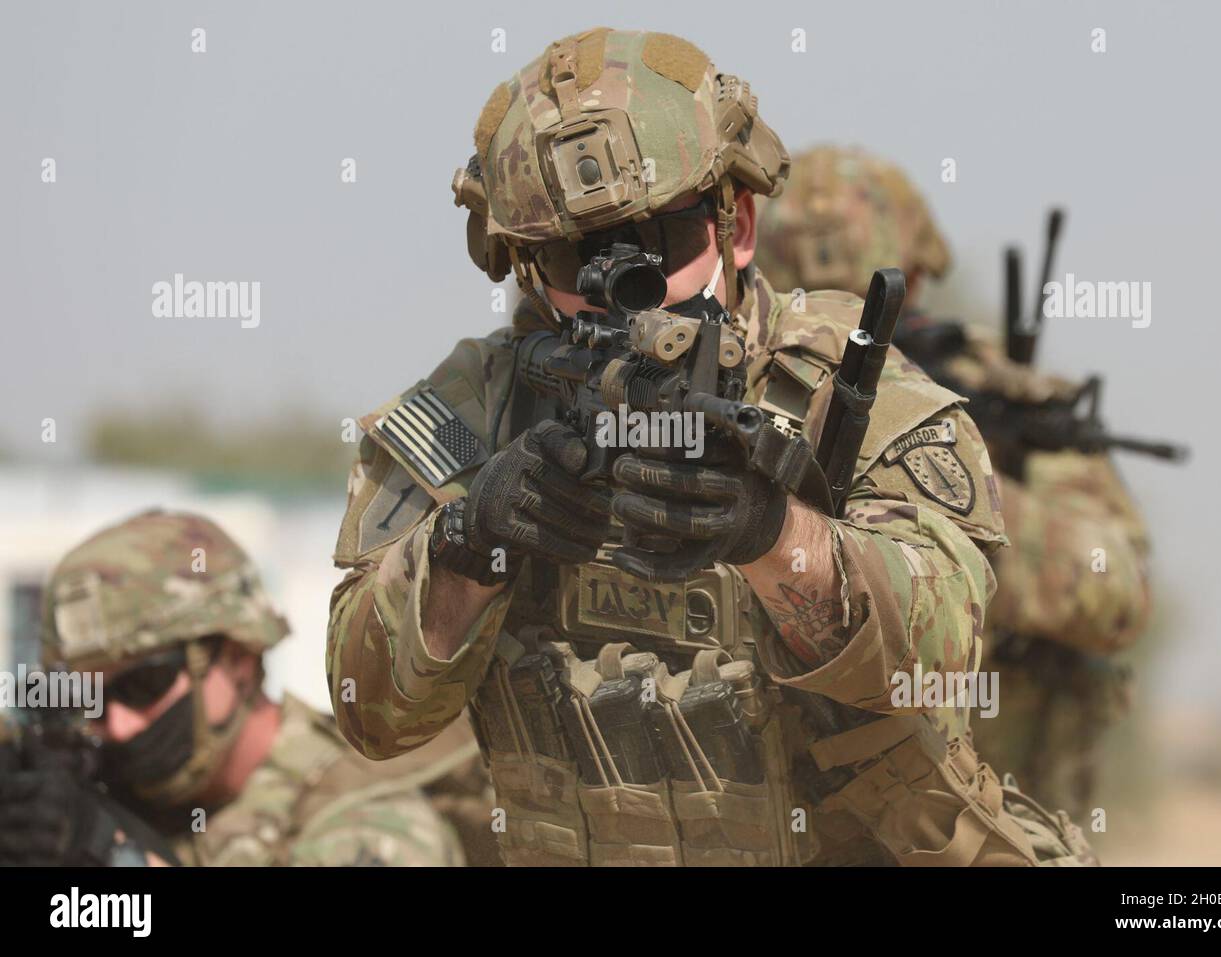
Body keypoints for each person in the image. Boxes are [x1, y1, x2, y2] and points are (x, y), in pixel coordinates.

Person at [327, 28, 1094, 866]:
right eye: (574, 257)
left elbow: (945, 660)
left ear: (739, 226)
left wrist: (777, 538)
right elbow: (369, 713)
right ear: (523, 268)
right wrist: (469, 543)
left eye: (665, 241)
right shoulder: (468, 413)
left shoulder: (847, 389)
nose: (627, 293)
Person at [756, 145, 1152, 817]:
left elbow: (1118, 593)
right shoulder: (744, 388)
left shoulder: (997, 394)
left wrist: (953, 495)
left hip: (986, 801)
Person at [0, 509, 468, 866]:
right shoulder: (94, 792)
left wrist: (108, 855)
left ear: (238, 658)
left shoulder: (368, 821)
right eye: (89, 698)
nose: (116, 725)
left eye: (143, 685)